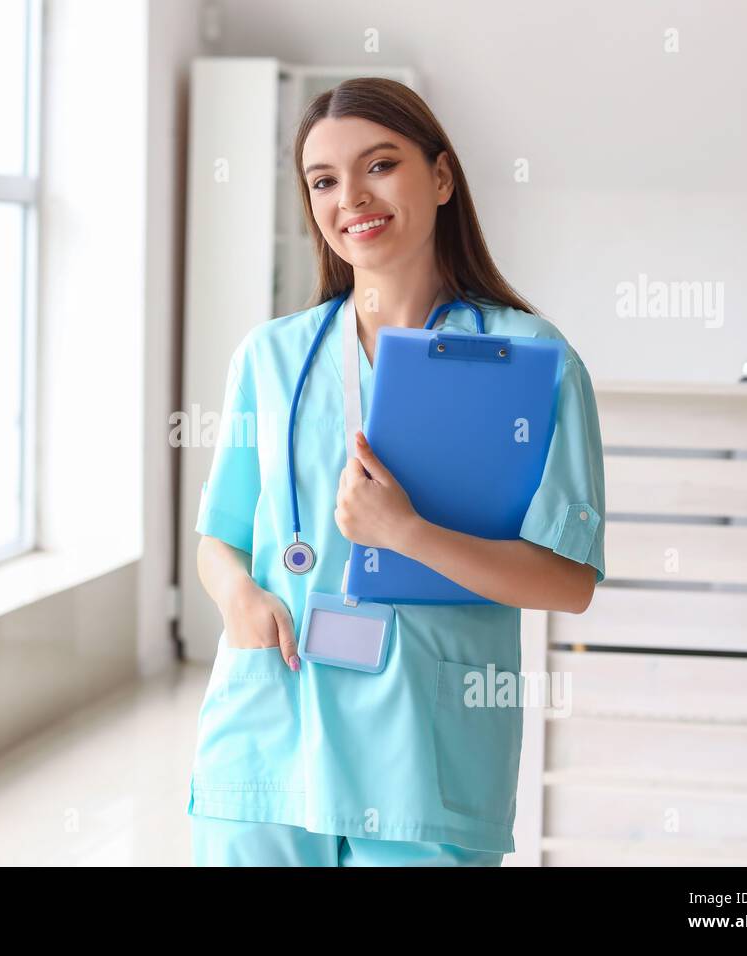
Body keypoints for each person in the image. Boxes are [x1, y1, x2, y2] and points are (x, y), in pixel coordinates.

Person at [186, 77, 606, 866]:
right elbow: (221, 541)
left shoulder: (534, 361)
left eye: (379, 165)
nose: (352, 197)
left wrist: (407, 534)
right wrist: (237, 594)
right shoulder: (271, 357)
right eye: (324, 180)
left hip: (422, 760)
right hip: (269, 741)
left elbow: (568, 582)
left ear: (441, 178)